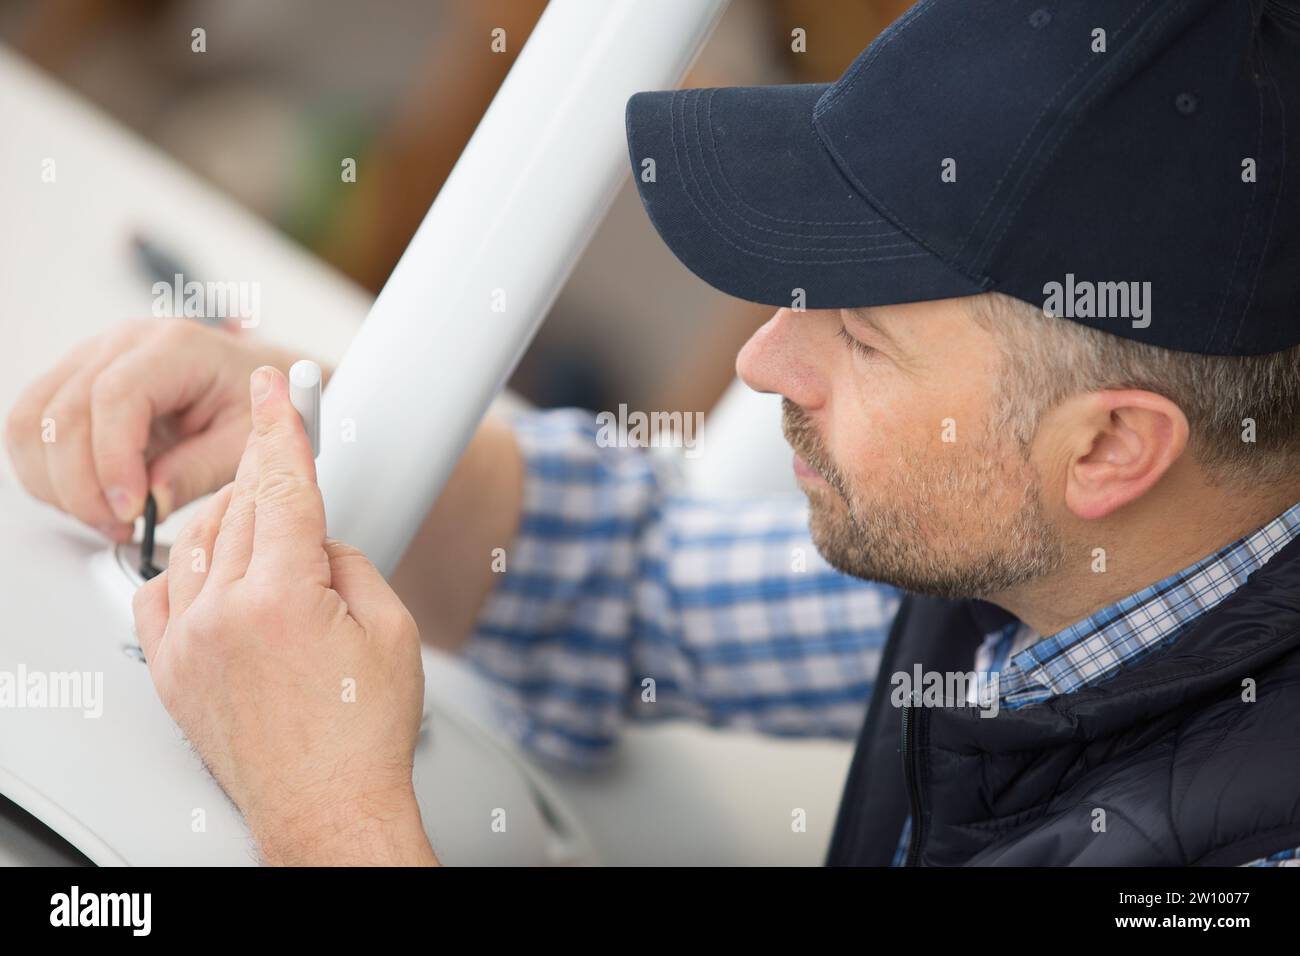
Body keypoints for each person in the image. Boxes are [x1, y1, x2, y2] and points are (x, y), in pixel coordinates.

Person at [8, 0, 1300, 866]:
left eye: (859, 338)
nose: (759, 357)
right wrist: (285, 418)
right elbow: (634, 583)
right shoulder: (1067, 572)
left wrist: (326, 809)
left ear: (1107, 452)